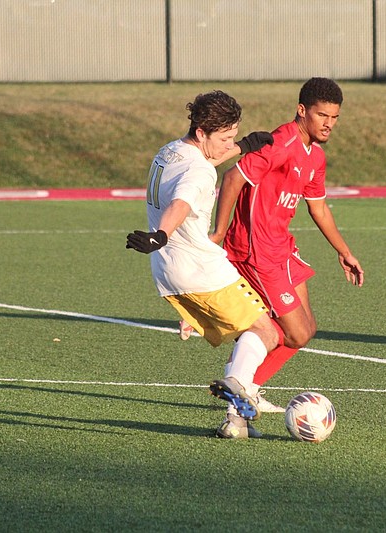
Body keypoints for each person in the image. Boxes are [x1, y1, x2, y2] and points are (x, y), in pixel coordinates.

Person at [125, 90, 279, 439]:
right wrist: (160, 235)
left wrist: (244, 146)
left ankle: (236, 423)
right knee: (265, 332)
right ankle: (236, 385)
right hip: (200, 267)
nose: (228, 144)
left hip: (168, 271)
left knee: (245, 335)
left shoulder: (169, 151)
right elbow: (181, 202)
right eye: (224, 138)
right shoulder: (199, 172)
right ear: (201, 132)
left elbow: (205, 159)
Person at [210, 77, 364, 396]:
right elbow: (232, 177)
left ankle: (245, 385)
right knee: (295, 333)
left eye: (335, 117)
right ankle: (241, 383)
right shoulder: (280, 143)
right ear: (302, 110)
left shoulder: (315, 156)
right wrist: (219, 232)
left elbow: (318, 208)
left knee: (307, 329)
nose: (329, 124)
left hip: (282, 247)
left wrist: (344, 251)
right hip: (256, 249)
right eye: (322, 115)